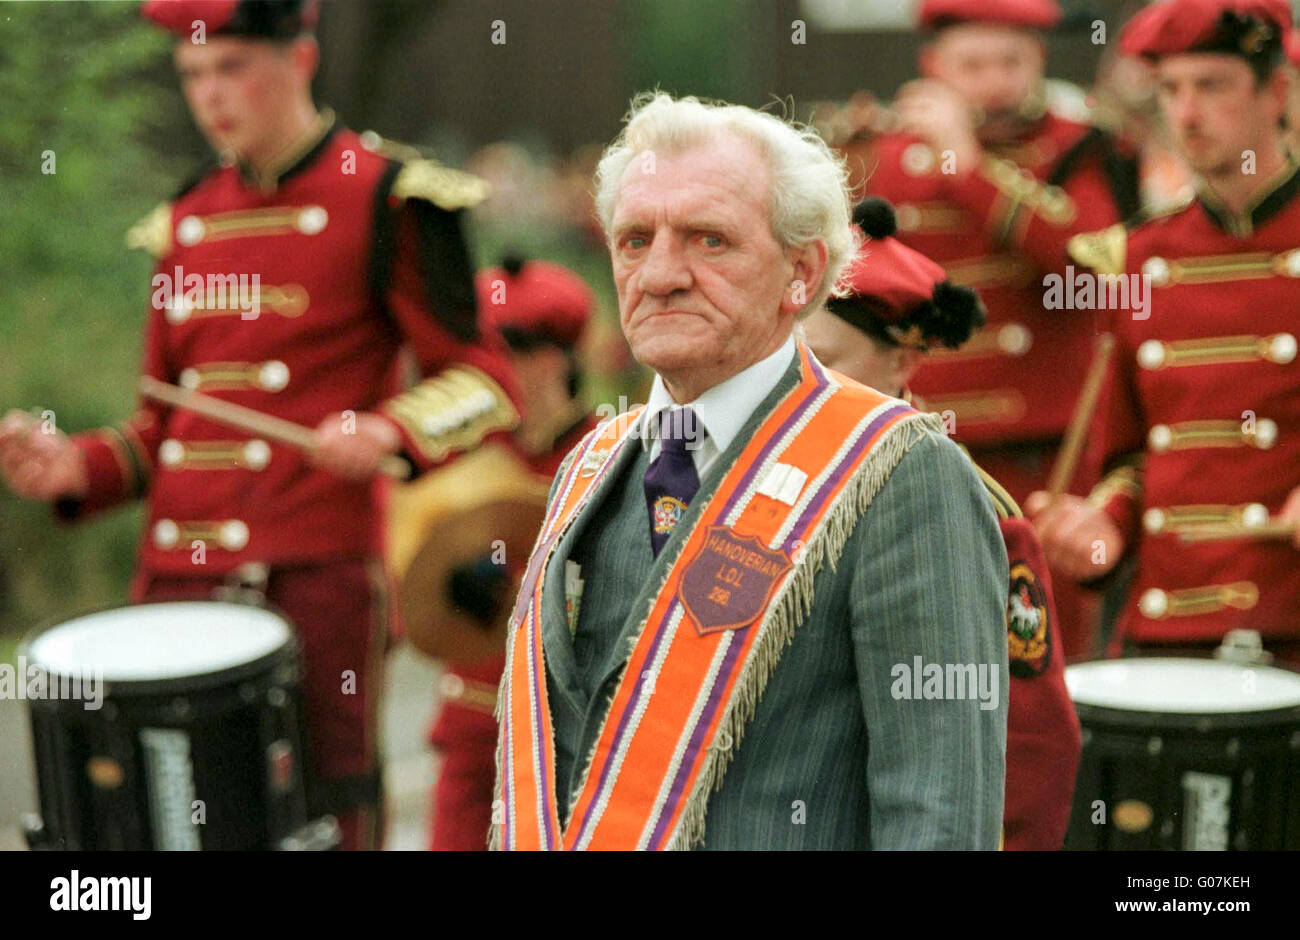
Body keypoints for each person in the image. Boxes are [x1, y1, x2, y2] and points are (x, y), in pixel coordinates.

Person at [0, 0, 520, 849]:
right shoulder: (185, 222)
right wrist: (76, 467)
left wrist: (388, 431)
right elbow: (161, 426)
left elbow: (487, 379)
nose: (211, 96)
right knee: (154, 813)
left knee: (321, 803)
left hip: (312, 576)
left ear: (301, 57)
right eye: (194, 76)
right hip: (176, 576)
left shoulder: (389, 198)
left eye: (232, 68)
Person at [492, 93, 1008, 851]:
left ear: (802, 274)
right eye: (635, 239)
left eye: (709, 240)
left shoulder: (905, 473)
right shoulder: (591, 463)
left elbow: (939, 813)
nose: (661, 274)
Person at [850, 0, 1143, 658]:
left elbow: (1090, 264)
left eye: (1011, 61)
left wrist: (968, 164)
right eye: (972, 64)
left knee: (1043, 658)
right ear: (932, 68)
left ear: (1039, 60)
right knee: (927, 650)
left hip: (1047, 462)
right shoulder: (880, 156)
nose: (994, 81)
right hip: (920, 452)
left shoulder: (1081, 148)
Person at [802, 197, 1080, 850]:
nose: (803, 385)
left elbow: (1030, 747)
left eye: (826, 361)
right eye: (788, 362)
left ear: (903, 361)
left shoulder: (978, 513)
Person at [1032, 0, 1300, 666]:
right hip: (1164, 629)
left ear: (1277, 93)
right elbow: (1129, 460)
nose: (1186, 113)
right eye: (1171, 90)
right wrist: (1101, 531)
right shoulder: (1141, 258)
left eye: (1212, 86)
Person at [426, 254, 598, 851]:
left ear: (551, 359)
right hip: (470, 730)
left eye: (500, 356)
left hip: (562, 737)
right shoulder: (461, 457)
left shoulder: (605, 458)